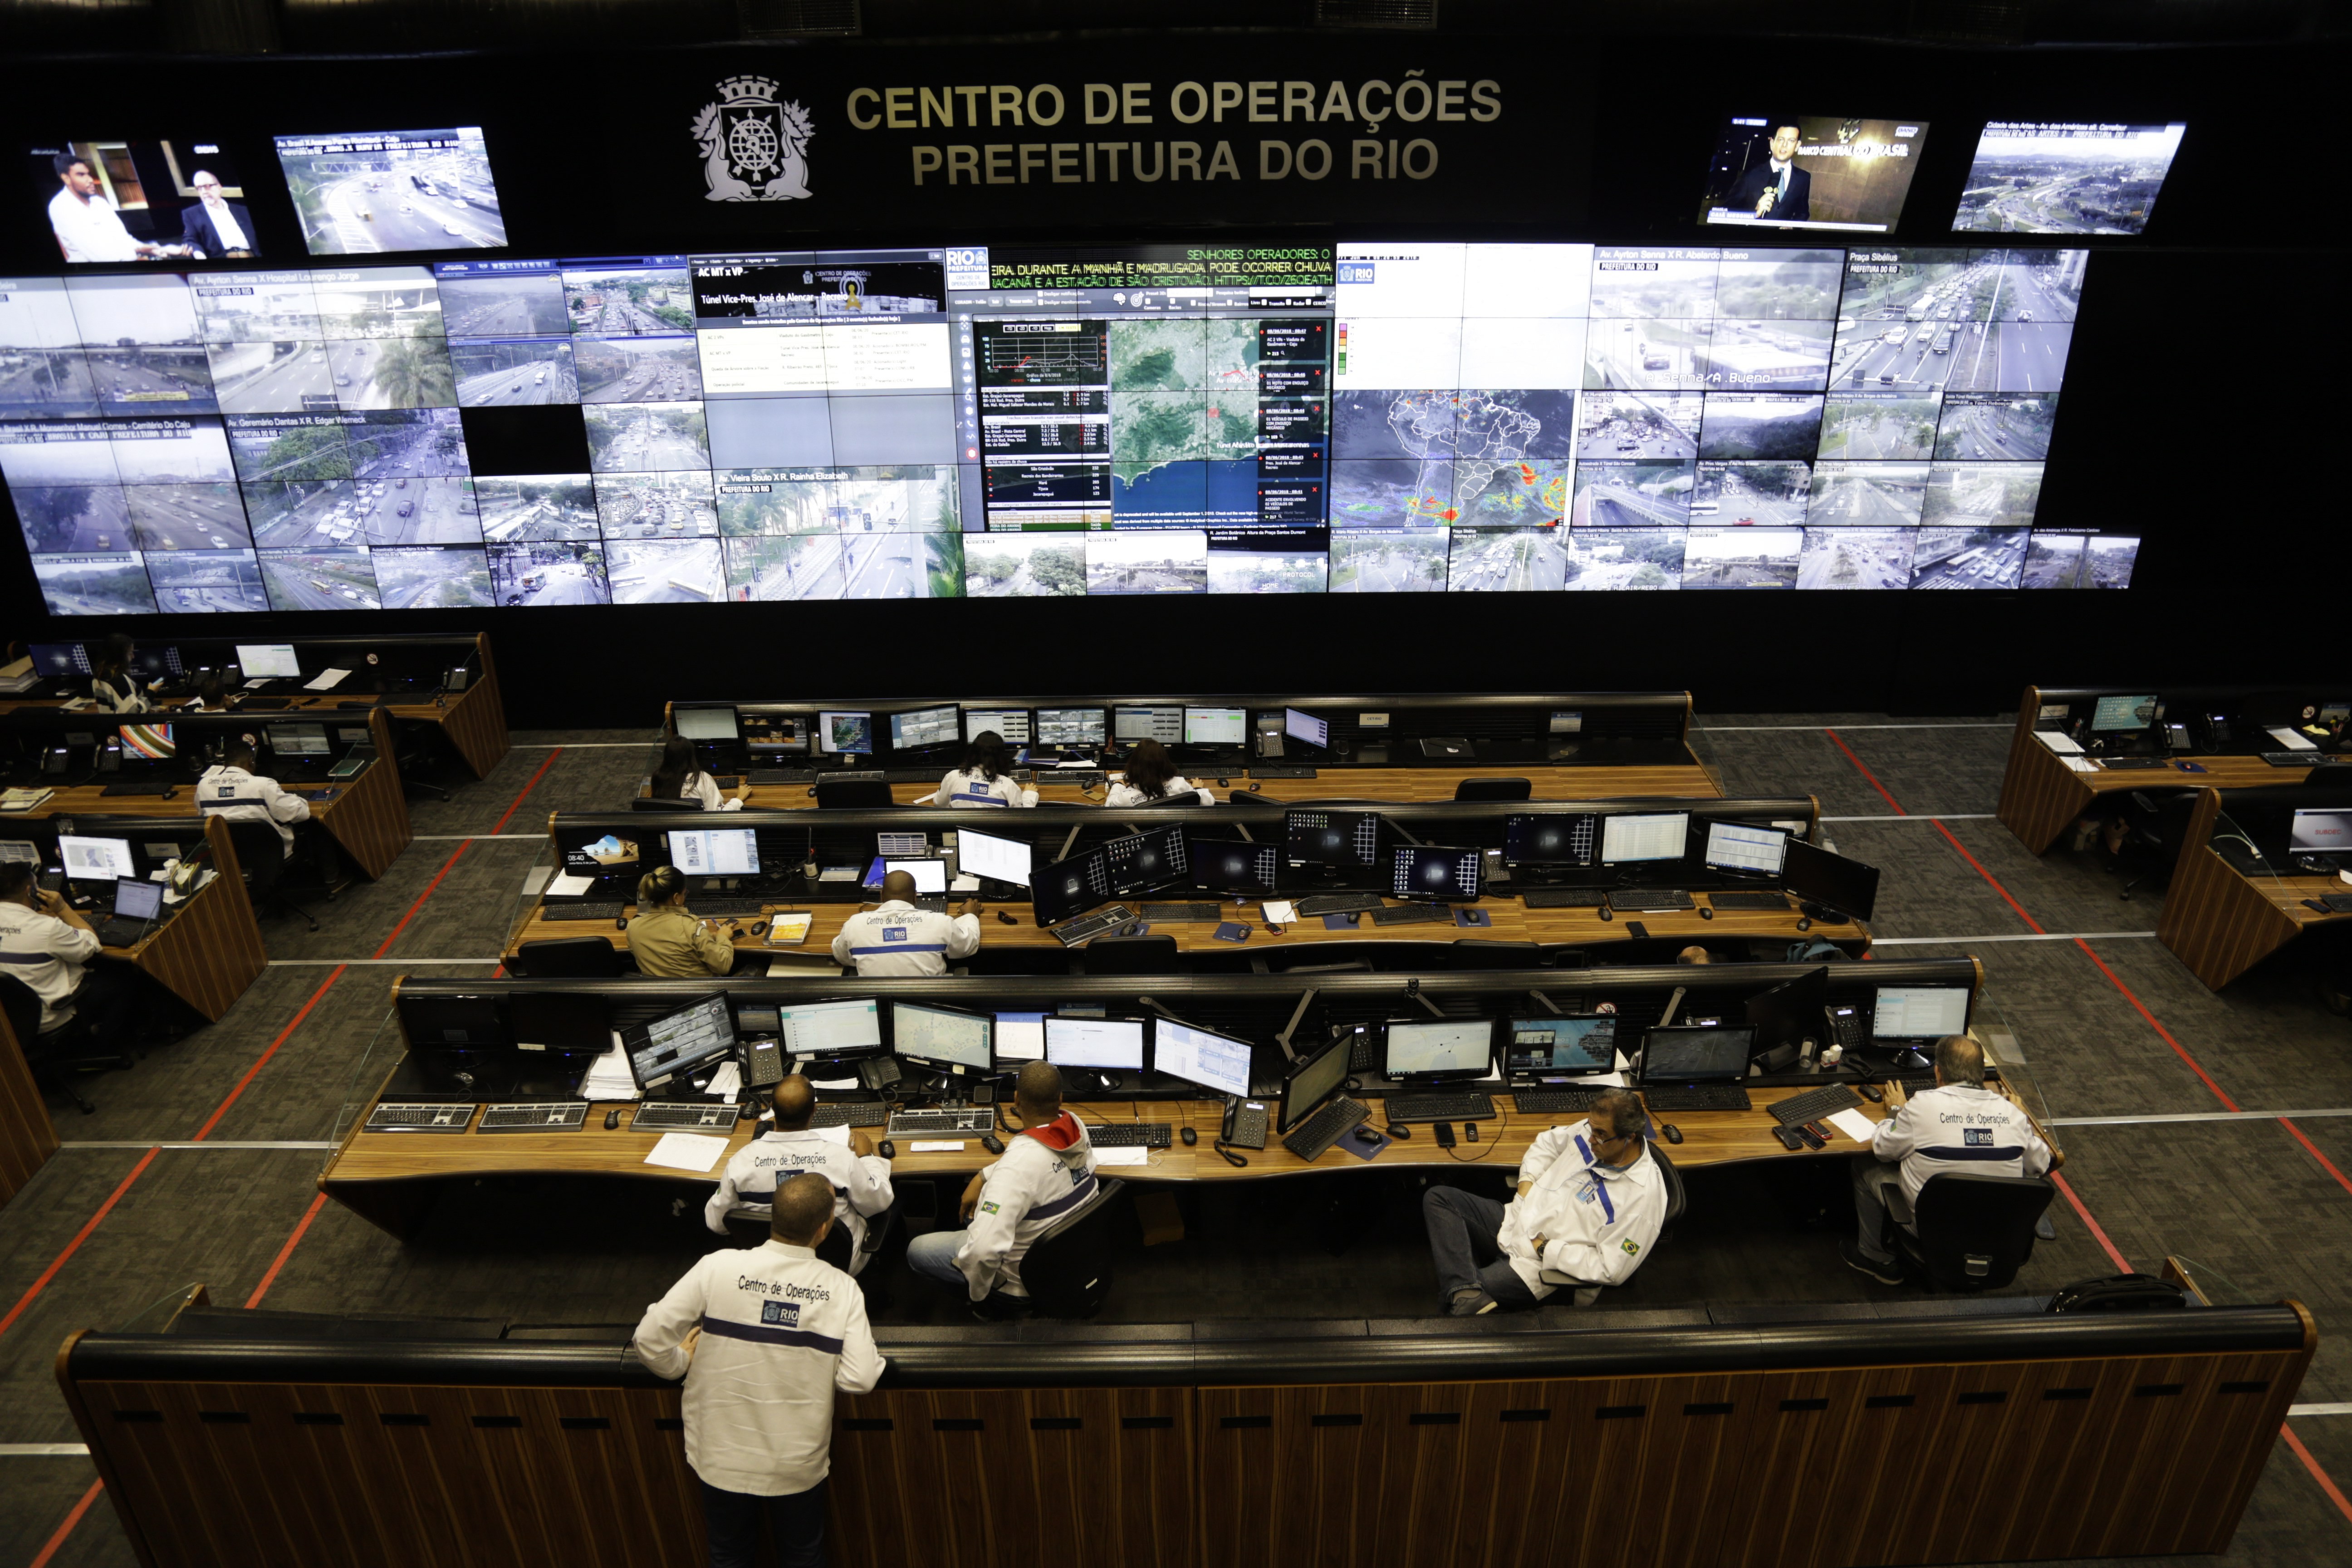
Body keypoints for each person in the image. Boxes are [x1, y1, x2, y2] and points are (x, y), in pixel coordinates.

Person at [634, 1172, 884, 1568]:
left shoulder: (717, 1266)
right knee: (803, 1556)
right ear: (824, 1229)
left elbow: (648, 1338)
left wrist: (679, 1362)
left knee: (729, 1555)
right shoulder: (841, 1289)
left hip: (718, 1456)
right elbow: (860, 1378)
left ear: (773, 1218)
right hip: (796, 1464)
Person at [1421, 1087, 1667, 1314]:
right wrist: (1526, 1187)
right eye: (1591, 1129)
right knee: (1440, 1198)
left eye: (1601, 1135)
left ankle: (1464, 1291)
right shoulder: (1594, 1131)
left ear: (1630, 1137)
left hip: (1544, 1266)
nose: (1591, 1139)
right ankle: (1466, 1290)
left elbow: (1611, 1268)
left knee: (1463, 1298)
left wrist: (1546, 1249)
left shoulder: (1642, 1198)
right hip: (1521, 1216)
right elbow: (1547, 1144)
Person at [1845, 1033, 2052, 1284]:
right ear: (1982, 1073)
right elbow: (2040, 1165)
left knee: (1865, 1165)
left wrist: (1896, 1110)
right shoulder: (2011, 1113)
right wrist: (2020, 1120)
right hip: (1996, 1231)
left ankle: (1876, 1258)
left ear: (1938, 1073)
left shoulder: (1922, 1105)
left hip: (1930, 1229)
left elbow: (1882, 1148)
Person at [905, 1062, 1099, 1315]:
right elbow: (1035, 1164)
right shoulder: (1075, 1128)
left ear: (1016, 1099)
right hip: (1067, 1256)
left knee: (917, 1251)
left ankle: (993, 1306)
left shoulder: (1016, 1169)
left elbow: (983, 1252)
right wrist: (982, 1176)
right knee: (979, 1218)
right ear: (1060, 1099)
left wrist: (981, 1295)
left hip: (1021, 1281)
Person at [706, 1076, 896, 1275]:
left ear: (773, 1109)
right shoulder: (840, 1158)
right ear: (814, 1111)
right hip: (837, 1265)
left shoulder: (740, 1162)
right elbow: (878, 1204)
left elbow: (717, 1224)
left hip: (768, 1267)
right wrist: (866, 1156)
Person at [0, 860, 137, 1046]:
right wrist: (63, 909)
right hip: (44, 1018)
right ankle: (101, 1045)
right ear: (30, 891)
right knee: (124, 979)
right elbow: (90, 947)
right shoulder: (47, 927)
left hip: (7, 1021)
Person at [829, 869, 980, 977]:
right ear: (915, 897)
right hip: (926, 1004)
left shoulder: (854, 925)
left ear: (882, 895)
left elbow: (841, 956)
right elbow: (967, 946)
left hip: (878, 1004)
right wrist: (971, 915)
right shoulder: (940, 923)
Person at [630, 864, 768, 977]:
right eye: (685, 894)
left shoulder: (633, 926)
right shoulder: (690, 927)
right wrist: (722, 938)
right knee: (760, 966)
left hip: (658, 997)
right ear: (676, 898)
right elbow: (723, 966)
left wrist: (706, 938)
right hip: (700, 998)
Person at [196, 738, 312, 860]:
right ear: (252, 761)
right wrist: (297, 798)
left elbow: (203, 816)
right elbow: (301, 814)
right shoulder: (263, 784)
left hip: (227, 856)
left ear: (225, 764)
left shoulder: (204, 785)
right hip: (271, 854)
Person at [48, 152, 163, 264]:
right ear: (66, 179)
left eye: (88, 174)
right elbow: (100, 256)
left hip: (126, 267)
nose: (90, 180)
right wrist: (138, 259)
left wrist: (147, 248)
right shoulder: (61, 207)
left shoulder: (100, 202)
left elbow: (123, 238)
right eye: (81, 175)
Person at [1726, 123, 1810, 222]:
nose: (1785, 145)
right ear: (1772, 144)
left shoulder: (1803, 178)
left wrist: (1792, 226)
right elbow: (1726, 212)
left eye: (1791, 141)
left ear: (1797, 146)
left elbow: (1803, 213)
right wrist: (1754, 214)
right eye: (1781, 140)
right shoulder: (1749, 175)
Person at [933, 730, 1037, 808]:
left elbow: (939, 804)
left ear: (972, 752)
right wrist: (1029, 795)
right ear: (1001, 756)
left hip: (960, 834)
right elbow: (1021, 818)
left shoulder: (952, 777)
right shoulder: (1009, 786)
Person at [1105, 739, 1214, 808]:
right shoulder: (1180, 784)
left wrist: (1117, 786)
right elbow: (1208, 803)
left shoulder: (1126, 799)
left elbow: (1108, 807)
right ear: (1165, 763)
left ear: (1134, 767)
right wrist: (1198, 789)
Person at [174, 170, 256, 259]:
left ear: (219, 187)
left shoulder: (243, 210)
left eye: (208, 186)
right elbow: (191, 240)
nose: (204, 192)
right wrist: (200, 256)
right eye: (199, 188)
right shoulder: (191, 214)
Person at [652, 733, 743, 812]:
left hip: (668, 829)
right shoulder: (702, 779)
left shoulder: (658, 777)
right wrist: (738, 799)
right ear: (692, 756)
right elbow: (718, 815)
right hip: (698, 830)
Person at [87, 634, 152, 714]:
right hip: (125, 726)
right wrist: (151, 693)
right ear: (121, 656)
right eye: (130, 653)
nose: (133, 656)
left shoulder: (100, 673)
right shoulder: (119, 680)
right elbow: (134, 714)